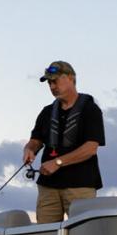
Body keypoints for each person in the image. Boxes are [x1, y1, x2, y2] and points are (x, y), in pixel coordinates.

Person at [24, 60, 105, 224]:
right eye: (49, 82)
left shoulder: (90, 110)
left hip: (80, 186)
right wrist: (29, 150)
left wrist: (58, 162)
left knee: (82, 234)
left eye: (55, 81)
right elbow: (35, 141)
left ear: (70, 78)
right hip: (48, 187)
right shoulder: (47, 112)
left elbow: (91, 148)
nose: (52, 86)